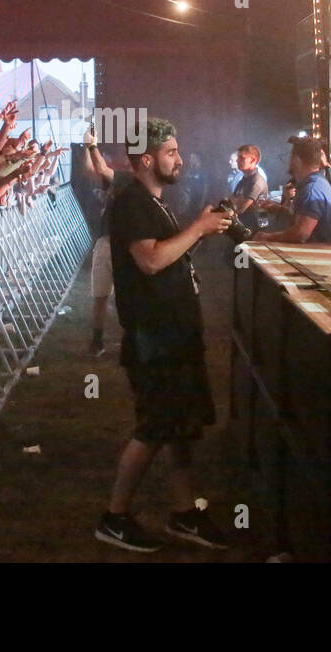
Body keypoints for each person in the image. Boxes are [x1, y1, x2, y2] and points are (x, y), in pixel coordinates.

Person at [95, 117, 233, 553]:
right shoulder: (132, 202)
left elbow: (173, 257)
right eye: (171, 152)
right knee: (155, 427)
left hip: (174, 333)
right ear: (146, 159)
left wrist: (203, 228)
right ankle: (113, 519)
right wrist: (197, 229)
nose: (179, 158)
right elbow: (151, 262)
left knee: (180, 428)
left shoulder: (154, 204)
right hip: (154, 338)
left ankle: (184, 513)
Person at [80, 124, 132, 357]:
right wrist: (86, 146)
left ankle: (131, 340)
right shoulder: (119, 178)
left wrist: (92, 144)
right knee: (100, 294)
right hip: (105, 241)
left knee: (126, 296)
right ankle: (98, 339)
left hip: (125, 245)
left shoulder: (131, 180)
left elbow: (99, 167)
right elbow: (91, 171)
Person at [252, 136, 331, 244]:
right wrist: (280, 209)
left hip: (314, 256)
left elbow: (301, 234)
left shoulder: (311, 189)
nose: (288, 161)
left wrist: (267, 237)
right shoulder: (317, 183)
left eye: (290, 156)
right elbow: (304, 218)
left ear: (297, 160)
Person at [228, 144, 270, 230]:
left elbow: (242, 208)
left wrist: (236, 204)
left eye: (241, 158)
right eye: (237, 158)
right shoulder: (244, 179)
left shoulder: (257, 181)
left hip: (254, 228)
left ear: (252, 160)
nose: (237, 160)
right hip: (244, 224)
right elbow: (232, 200)